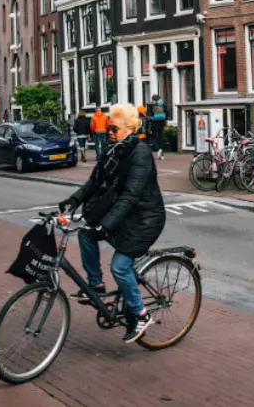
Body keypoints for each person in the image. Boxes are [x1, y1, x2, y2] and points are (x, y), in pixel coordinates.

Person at [58, 104, 165, 343]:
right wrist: (72, 201)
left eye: (114, 128)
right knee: (85, 234)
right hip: (123, 215)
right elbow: (94, 182)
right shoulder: (111, 150)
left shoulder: (140, 153)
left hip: (145, 219)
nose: (109, 131)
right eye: (109, 126)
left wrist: (106, 224)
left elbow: (131, 195)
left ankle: (140, 314)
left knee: (119, 266)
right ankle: (95, 285)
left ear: (130, 128)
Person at [147, 95, 167, 161]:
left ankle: (159, 149)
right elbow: (167, 112)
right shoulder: (163, 104)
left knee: (153, 137)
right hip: (162, 122)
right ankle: (162, 154)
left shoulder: (150, 104)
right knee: (160, 137)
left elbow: (148, 114)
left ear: (153, 99)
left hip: (154, 122)